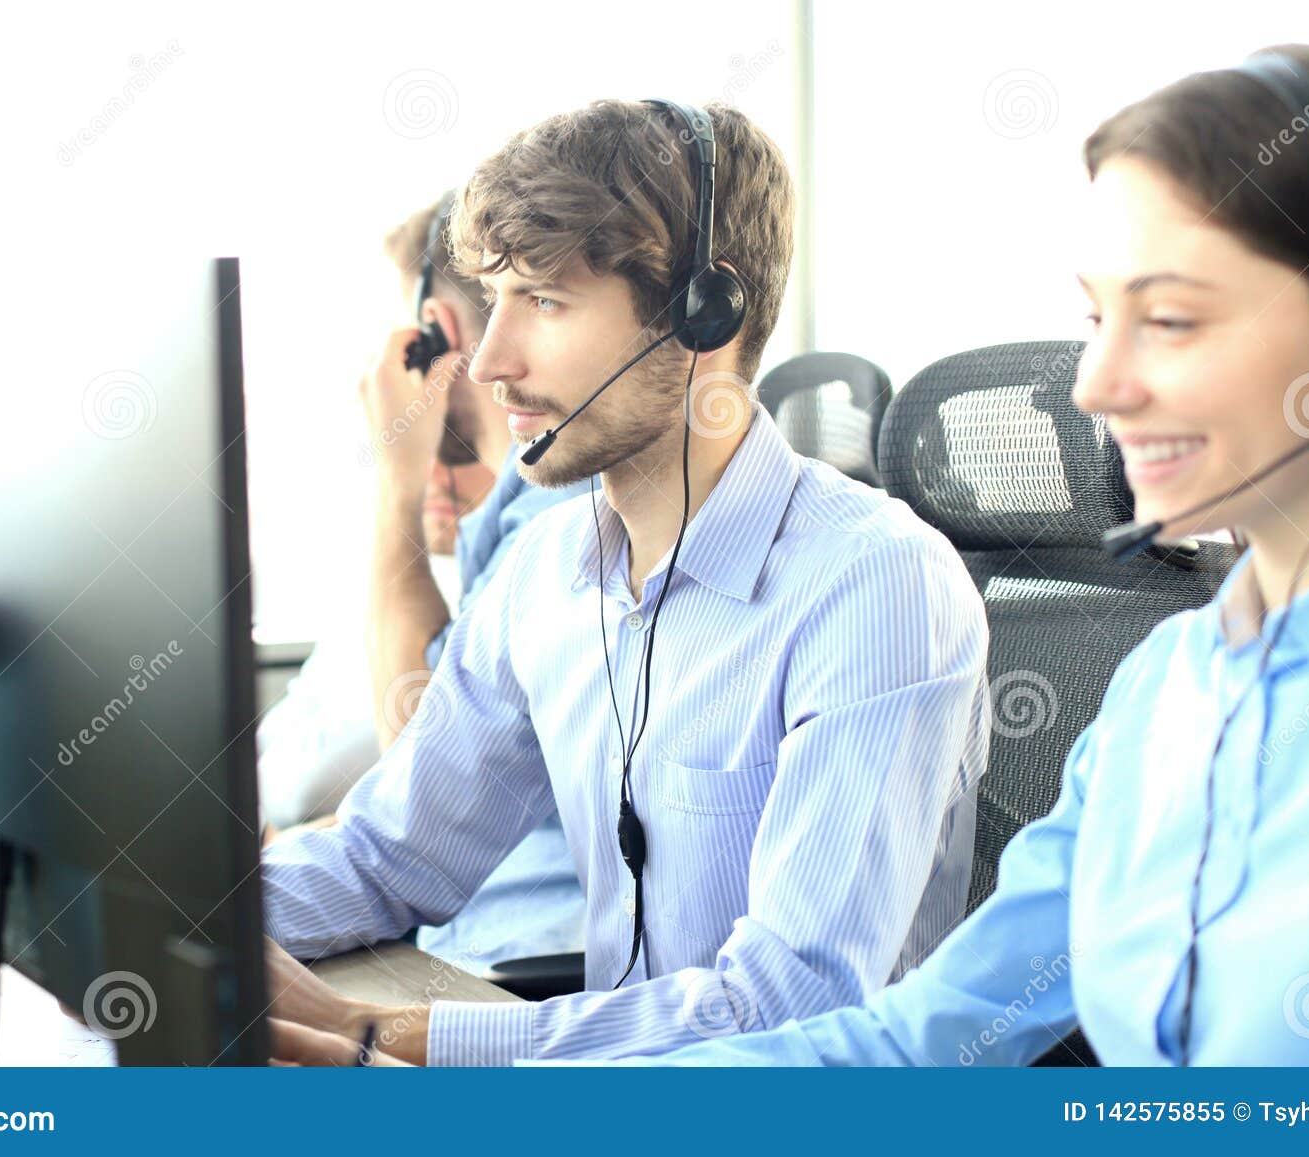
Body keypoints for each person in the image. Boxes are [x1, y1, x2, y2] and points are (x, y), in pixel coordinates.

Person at [613, 43, 1309, 1067]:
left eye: (1172, 319)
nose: (1095, 384)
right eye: (1096, 318)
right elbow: (927, 1034)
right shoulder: (1167, 689)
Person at [260, 99, 990, 1066]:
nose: (489, 360)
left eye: (547, 303)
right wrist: (177, 921)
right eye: (497, 298)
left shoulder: (874, 588)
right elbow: (386, 854)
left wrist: (385, 1030)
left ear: (704, 313)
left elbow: (791, 1004)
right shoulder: (544, 575)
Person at [256, 195, 585, 969]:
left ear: (436, 332)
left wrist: (396, 485)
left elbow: (421, 777)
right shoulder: (512, 518)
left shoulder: (562, 521)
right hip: (455, 944)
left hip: (516, 971)